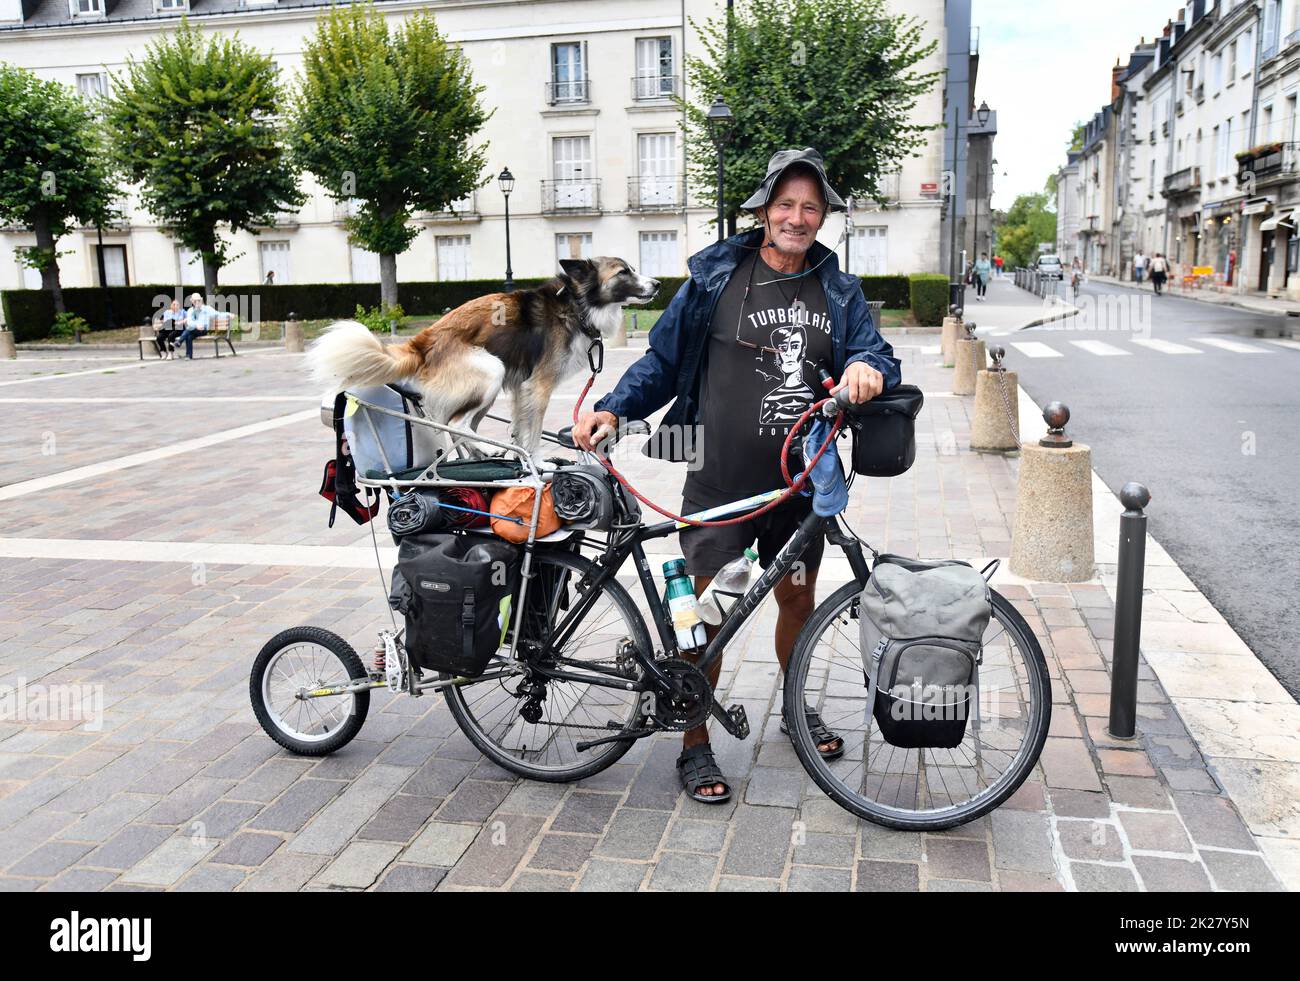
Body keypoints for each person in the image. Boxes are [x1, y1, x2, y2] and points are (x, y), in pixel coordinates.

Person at [573, 148, 901, 803]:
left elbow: (875, 350)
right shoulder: (718, 278)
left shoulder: (838, 289)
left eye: (811, 207)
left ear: (822, 217)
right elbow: (663, 360)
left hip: (800, 487)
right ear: (763, 209)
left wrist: (869, 367)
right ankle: (694, 743)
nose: (797, 217)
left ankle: (793, 706)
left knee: (797, 600)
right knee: (708, 615)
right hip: (723, 484)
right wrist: (615, 407)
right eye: (786, 204)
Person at [174, 292, 221, 359]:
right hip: (194, 330)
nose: (197, 302)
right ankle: (188, 355)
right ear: (192, 301)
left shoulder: (206, 308)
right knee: (189, 336)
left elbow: (216, 314)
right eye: (195, 301)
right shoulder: (190, 310)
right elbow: (190, 321)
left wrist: (228, 315)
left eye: (198, 300)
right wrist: (195, 325)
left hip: (203, 330)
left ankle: (179, 341)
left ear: (201, 300)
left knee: (189, 329)